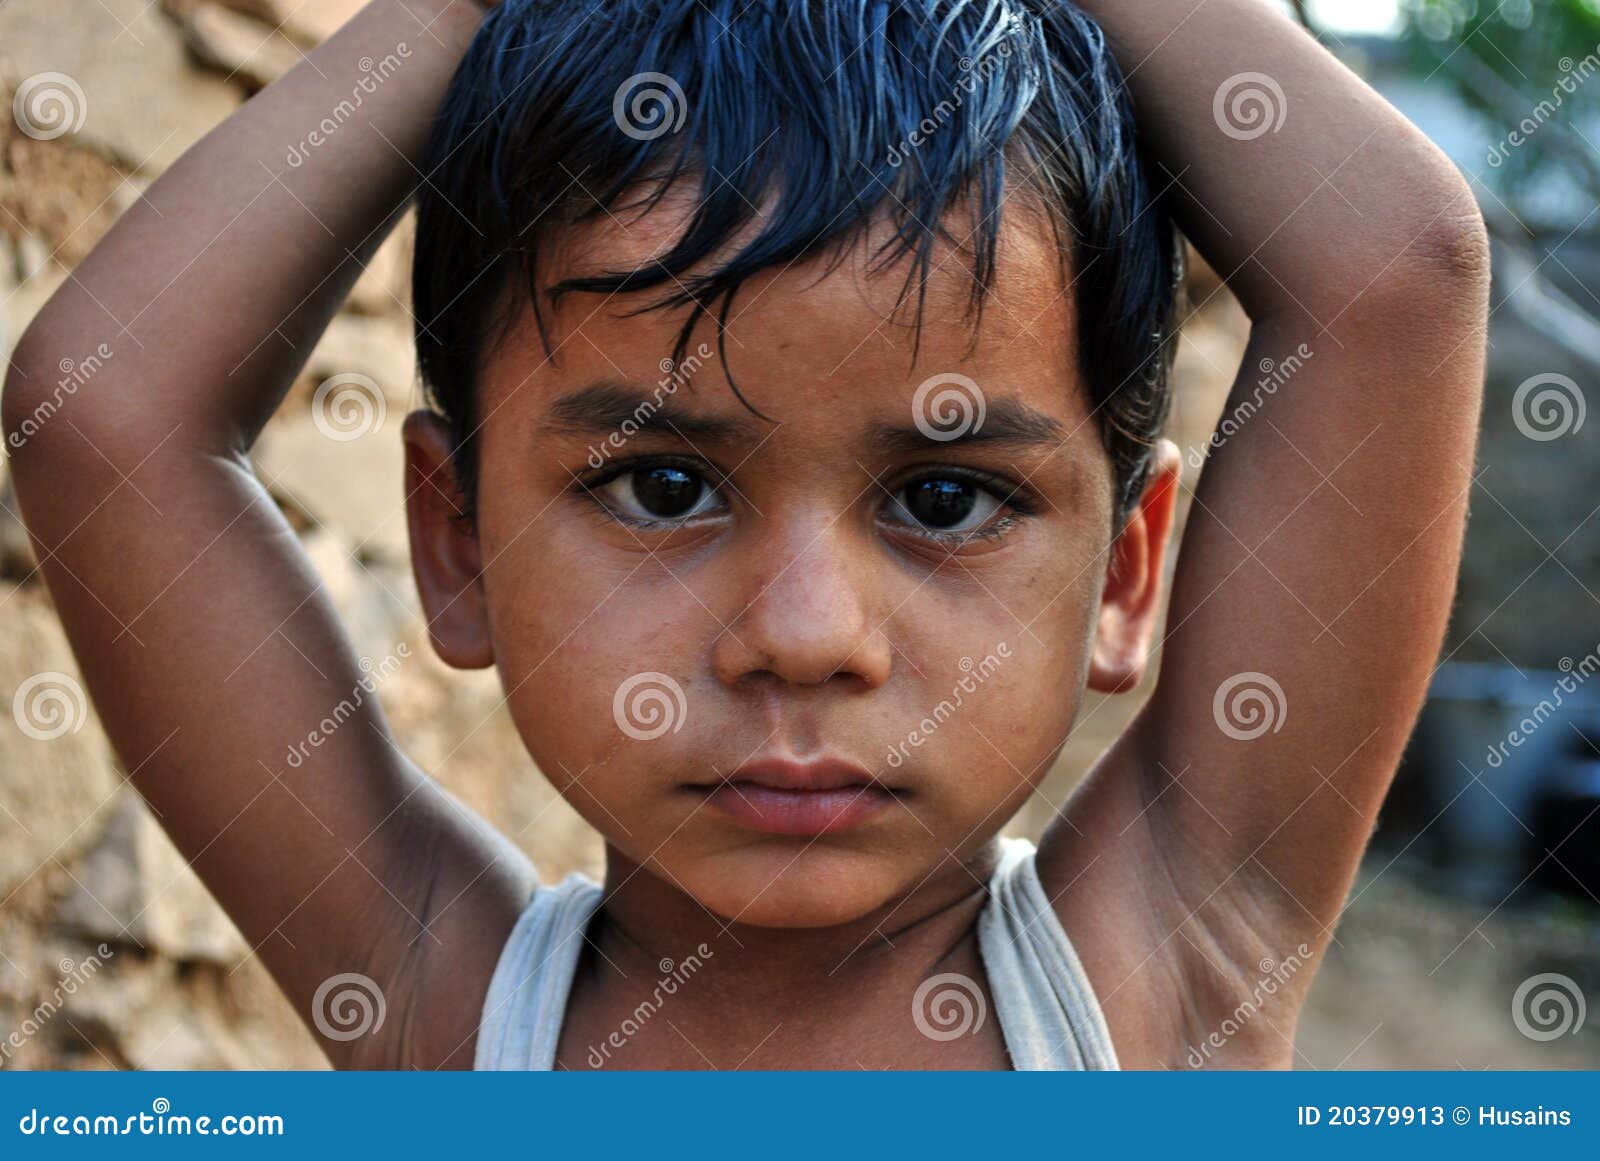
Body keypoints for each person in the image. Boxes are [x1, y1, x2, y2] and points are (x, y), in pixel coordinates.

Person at [2, 0, 1488, 1069]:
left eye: (945, 496)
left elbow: (1397, 277)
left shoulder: (1158, 981)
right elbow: (97, 415)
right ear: (455, 543)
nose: (802, 632)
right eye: (661, 487)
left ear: (1124, 569)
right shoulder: (449, 1013)